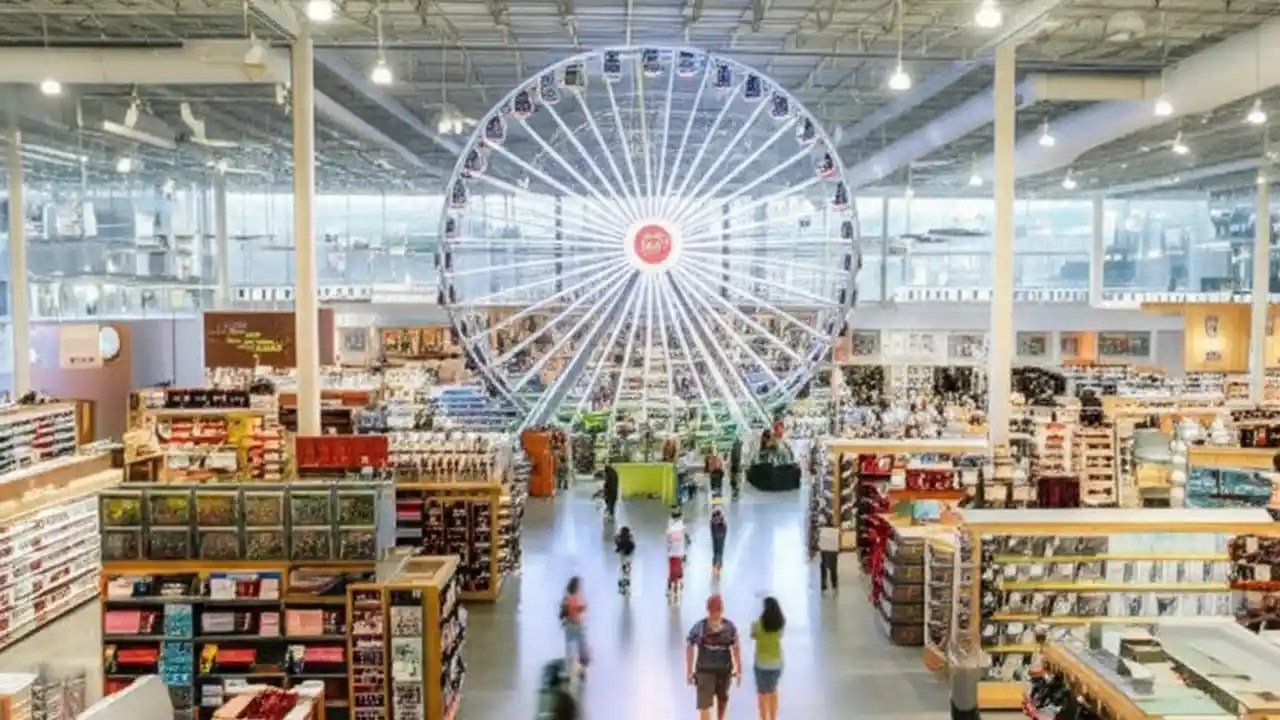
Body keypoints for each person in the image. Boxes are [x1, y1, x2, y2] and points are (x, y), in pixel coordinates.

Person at [685, 594, 741, 720]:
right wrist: (689, 670)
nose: (715, 613)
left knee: (717, 702)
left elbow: (736, 647)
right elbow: (736, 647)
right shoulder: (727, 627)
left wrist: (738, 669)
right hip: (711, 671)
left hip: (716, 670)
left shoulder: (703, 627)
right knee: (712, 704)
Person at [750, 597, 785, 720]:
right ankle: (773, 717)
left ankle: (764, 717)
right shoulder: (780, 624)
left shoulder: (758, 625)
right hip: (776, 662)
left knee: (762, 693)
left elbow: (752, 635)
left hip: (761, 663)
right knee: (773, 690)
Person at [559, 577, 588, 675]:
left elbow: (562, 614)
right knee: (581, 647)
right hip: (577, 625)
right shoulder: (577, 598)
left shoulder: (567, 598)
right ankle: (581, 670)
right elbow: (583, 608)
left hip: (570, 625)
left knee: (570, 648)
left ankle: (570, 670)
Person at [667, 509, 689, 602]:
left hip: (672, 554)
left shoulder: (670, 529)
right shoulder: (682, 528)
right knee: (679, 570)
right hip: (680, 553)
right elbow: (686, 541)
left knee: (672, 571)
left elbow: (668, 542)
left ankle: (671, 588)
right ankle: (678, 586)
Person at [818, 524, 840, 592]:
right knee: (833, 567)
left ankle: (824, 583)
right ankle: (834, 583)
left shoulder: (822, 530)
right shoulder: (834, 531)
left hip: (824, 547)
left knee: (823, 565)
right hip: (833, 548)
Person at [615, 526, 636, 596]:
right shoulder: (630, 538)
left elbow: (617, 546)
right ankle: (626, 584)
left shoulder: (620, 538)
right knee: (627, 568)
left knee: (624, 569)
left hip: (624, 554)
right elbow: (633, 546)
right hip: (628, 554)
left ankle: (623, 585)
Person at [709, 505, 728, 576]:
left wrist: (713, 536)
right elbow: (725, 529)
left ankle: (714, 568)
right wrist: (723, 537)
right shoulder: (723, 520)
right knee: (720, 552)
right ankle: (719, 568)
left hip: (715, 538)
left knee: (715, 552)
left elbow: (711, 529)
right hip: (721, 537)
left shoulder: (712, 520)